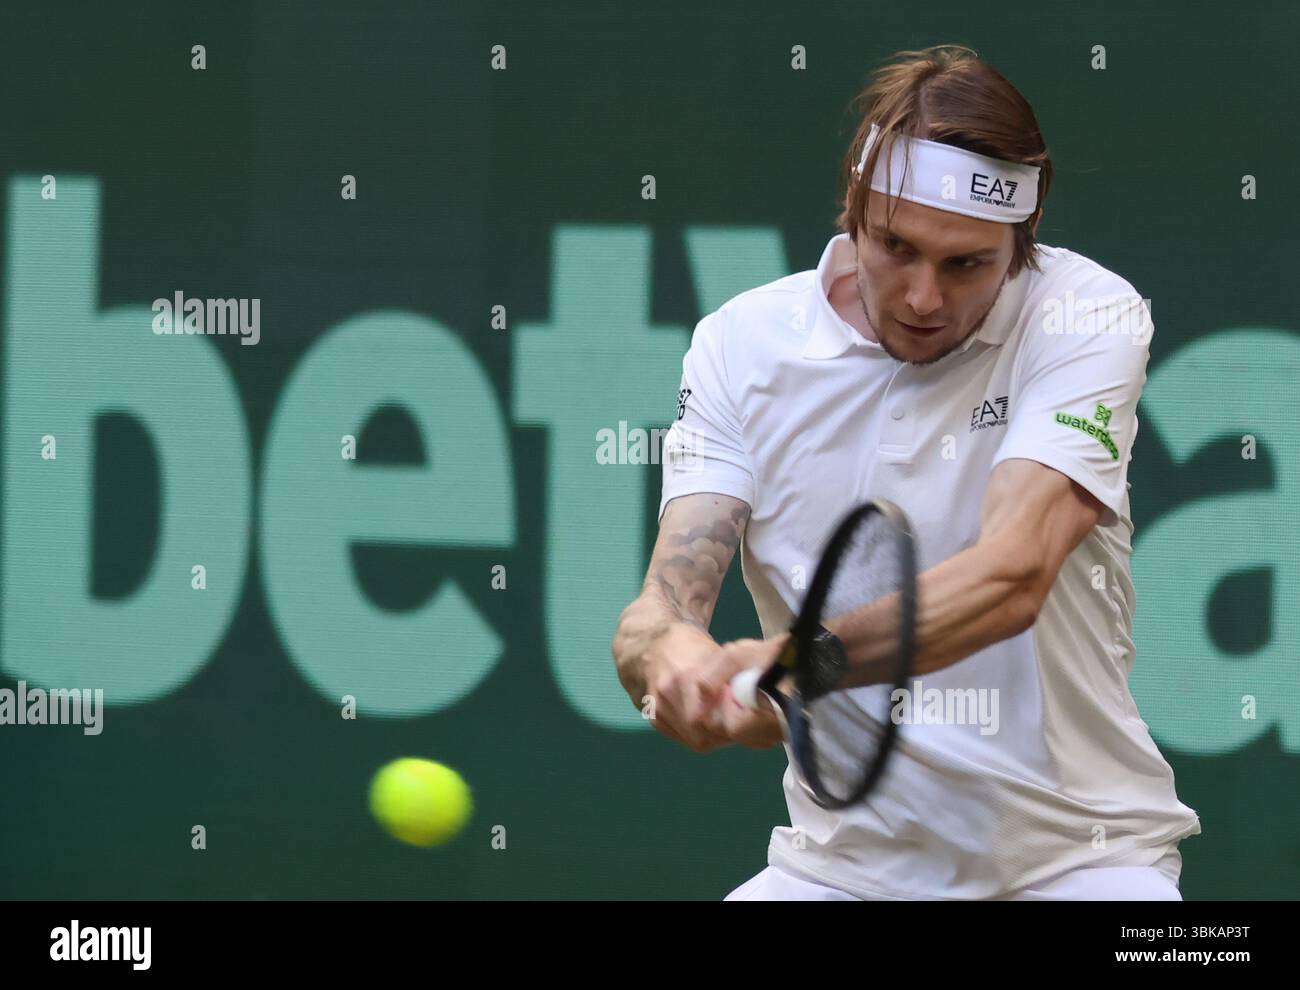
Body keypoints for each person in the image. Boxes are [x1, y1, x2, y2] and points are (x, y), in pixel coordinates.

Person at [610, 44, 1200, 900]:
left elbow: (1010, 578)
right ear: (853, 212)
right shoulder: (741, 343)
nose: (925, 297)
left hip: (1082, 865)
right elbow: (663, 602)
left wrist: (791, 666)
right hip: (837, 872)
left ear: (1023, 240)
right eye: (896, 247)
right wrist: (672, 659)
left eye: (967, 263)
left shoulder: (1084, 314)